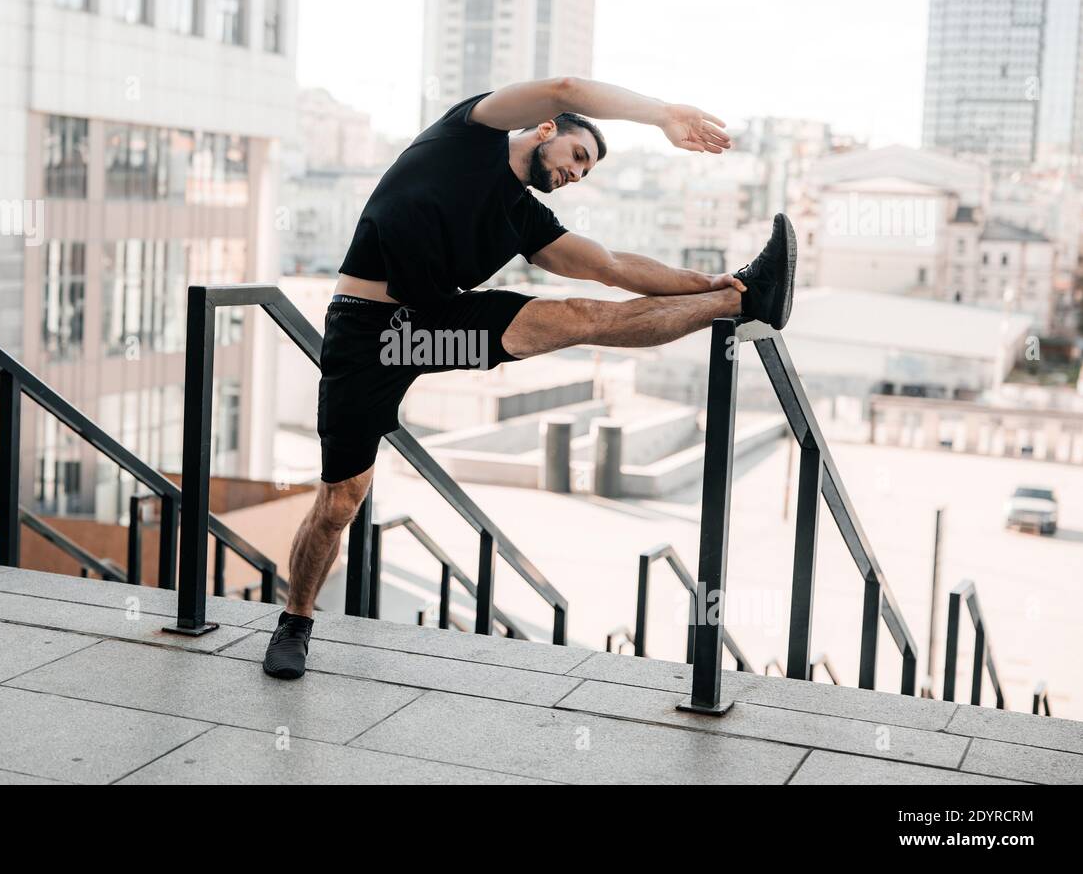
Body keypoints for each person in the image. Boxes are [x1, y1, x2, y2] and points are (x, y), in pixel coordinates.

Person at [264, 75, 797, 678]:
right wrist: (663, 115)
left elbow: (614, 267)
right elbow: (563, 86)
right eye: (577, 156)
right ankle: (296, 621)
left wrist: (709, 282)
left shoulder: (525, 220)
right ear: (546, 129)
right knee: (340, 501)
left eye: (586, 172)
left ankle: (747, 298)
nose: (576, 173)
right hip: (370, 333)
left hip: (439, 326)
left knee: (581, 317)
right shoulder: (469, 136)